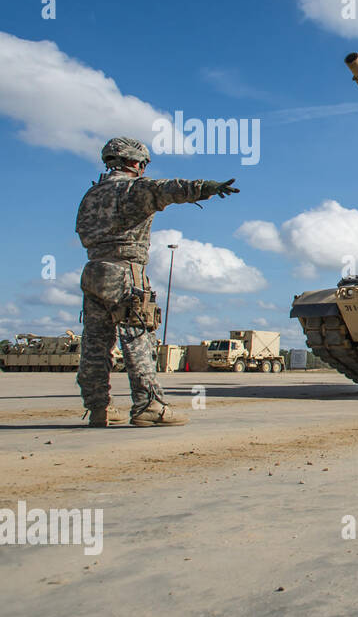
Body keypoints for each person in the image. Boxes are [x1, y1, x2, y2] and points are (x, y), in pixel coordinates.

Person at [76, 137, 238, 427]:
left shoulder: (91, 195)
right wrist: (208, 188)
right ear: (135, 162)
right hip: (126, 270)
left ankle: (99, 408)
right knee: (138, 340)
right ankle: (149, 405)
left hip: (92, 271)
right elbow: (168, 189)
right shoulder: (134, 188)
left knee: (94, 345)